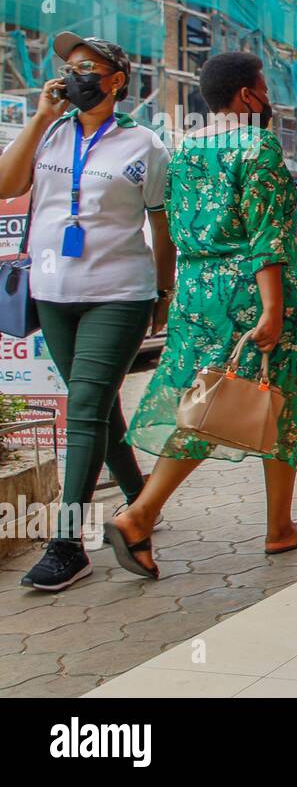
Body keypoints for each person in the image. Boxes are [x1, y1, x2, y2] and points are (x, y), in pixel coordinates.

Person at [106, 51, 297, 578]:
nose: (270, 99)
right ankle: (142, 515)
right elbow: (267, 237)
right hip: (254, 292)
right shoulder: (259, 146)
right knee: (280, 400)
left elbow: (178, 228)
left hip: (198, 291)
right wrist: (272, 309)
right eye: (265, 88)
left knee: (207, 402)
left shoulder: (185, 151)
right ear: (248, 95)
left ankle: (273, 527)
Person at [0, 33, 174, 591]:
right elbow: (6, 186)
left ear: (116, 80)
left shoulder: (143, 143)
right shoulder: (50, 132)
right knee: (98, 407)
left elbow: (161, 226)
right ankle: (140, 498)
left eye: (87, 68)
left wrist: (163, 293)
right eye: (69, 68)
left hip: (119, 292)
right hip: (52, 290)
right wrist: (39, 116)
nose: (74, 75)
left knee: (85, 407)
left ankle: (67, 543)